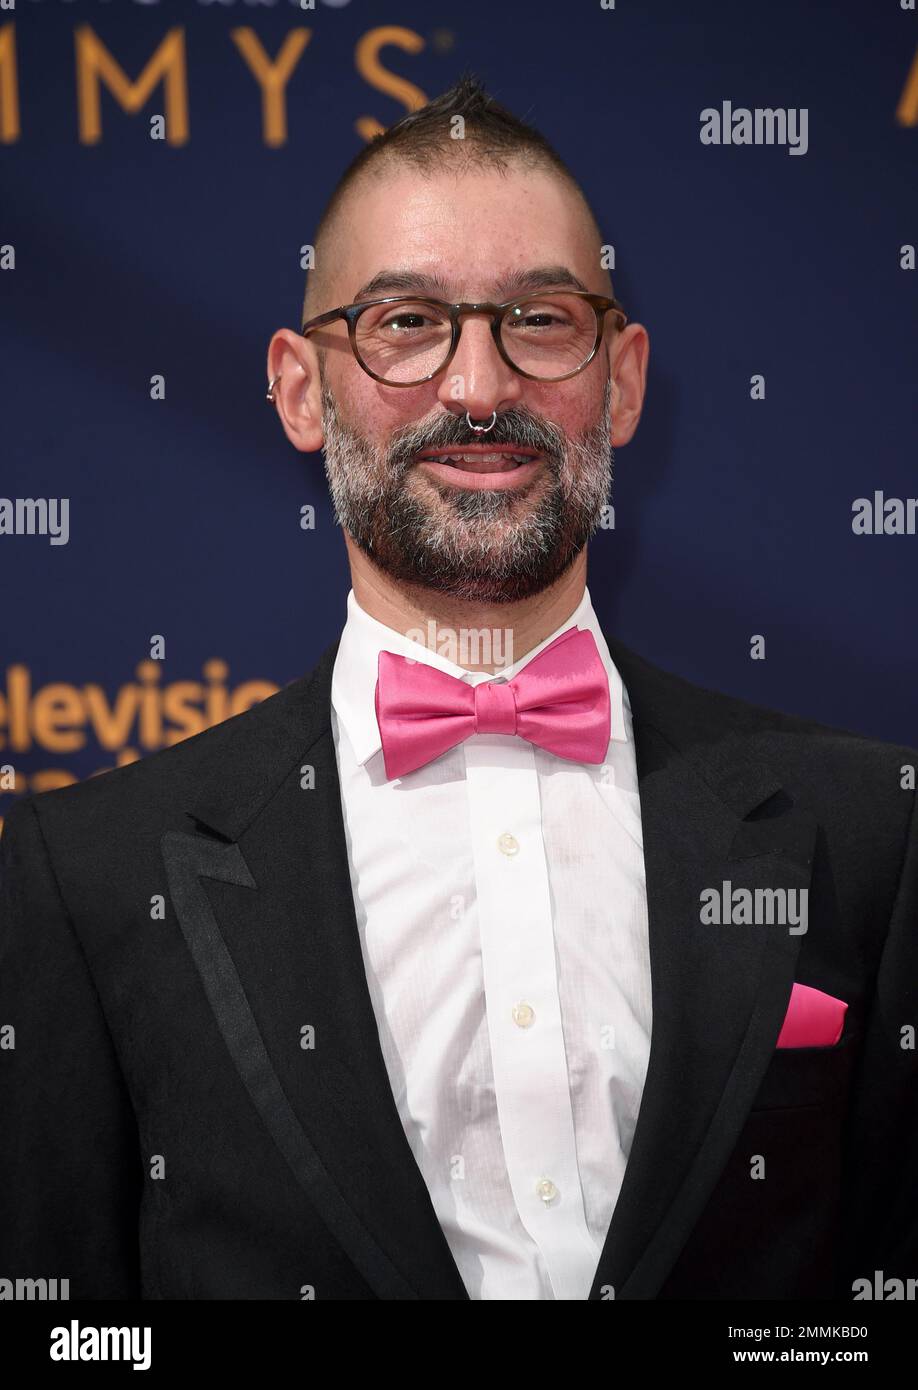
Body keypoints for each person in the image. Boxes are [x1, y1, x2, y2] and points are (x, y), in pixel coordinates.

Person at [1, 75, 916, 1303]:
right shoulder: (91, 873)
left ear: (625, 379)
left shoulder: (868, 830)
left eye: (538, 319)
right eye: (405, 323)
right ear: (296, 387)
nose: (478, 389)